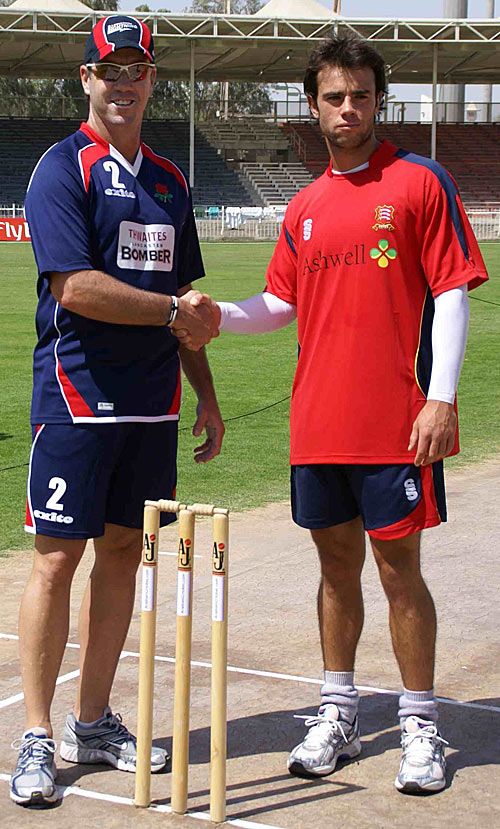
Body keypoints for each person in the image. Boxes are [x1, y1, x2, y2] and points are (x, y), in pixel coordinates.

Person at [182, 32, 489, 794]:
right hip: (319, 423)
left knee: (399, 570)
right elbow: (280, 303)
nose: (347, 108)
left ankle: (420, 721)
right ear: (313, 107)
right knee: (335, 569)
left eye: (360, 94)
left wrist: (441, 395)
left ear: (378, 100)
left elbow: (450, 288)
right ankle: (339, 708)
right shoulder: (305, 205)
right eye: (333, 96)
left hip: (397, 420)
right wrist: (215, 312)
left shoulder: (421, 182)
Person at [10, 15, 222, 807]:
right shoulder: (60, 169)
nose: (124, 81)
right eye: (111, 69)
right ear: (87, 78)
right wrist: (173, 313)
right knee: (57, 560)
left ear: (152, 78)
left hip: (152, 406)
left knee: (125, 554)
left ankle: (92, 719)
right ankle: (37, 733)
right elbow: (74, 286)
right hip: (75, 399)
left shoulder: (169, 180)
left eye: (137, 68)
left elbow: (189, 305)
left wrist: (205, 394)